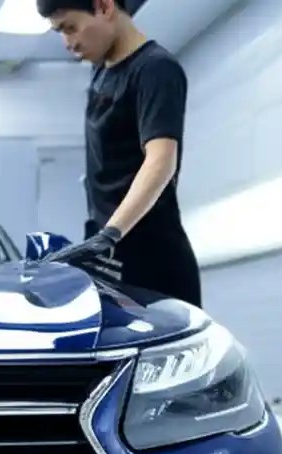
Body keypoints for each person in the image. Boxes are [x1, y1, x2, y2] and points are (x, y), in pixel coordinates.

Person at [38, 0, 202, 308]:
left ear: (104, 7)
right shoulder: (101, 72)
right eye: (59, 32)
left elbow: (161, 159)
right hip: (113, 259)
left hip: (154, 264)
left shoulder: (155, 69)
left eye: (71, 28)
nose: (68, 44)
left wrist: (110, 234)